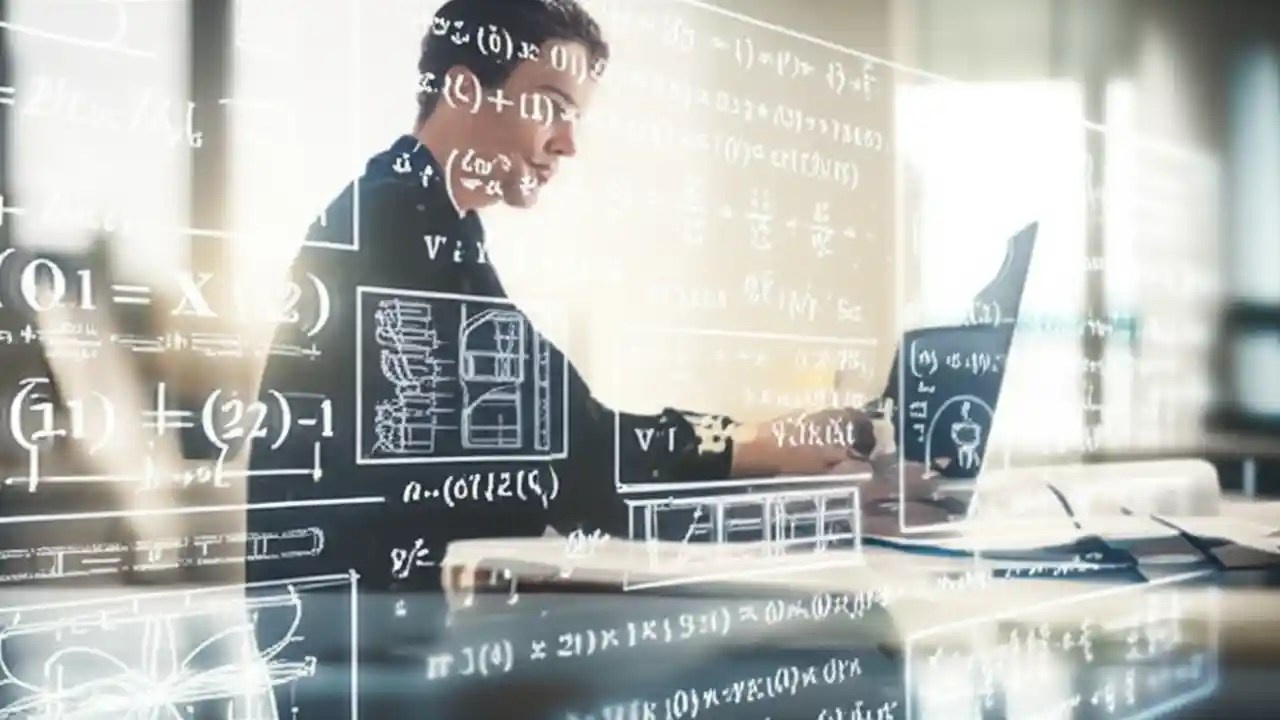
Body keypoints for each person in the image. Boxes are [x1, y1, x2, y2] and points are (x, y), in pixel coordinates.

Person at [245, 0, 930, 595]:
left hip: (411, 618)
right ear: (463, 90)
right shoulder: (394, 224)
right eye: (550, 106)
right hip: (375, 655)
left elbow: (566, 436)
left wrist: (780, 472)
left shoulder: (424, 216)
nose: (568, 144)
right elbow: (575, 448)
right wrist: (768, 451)